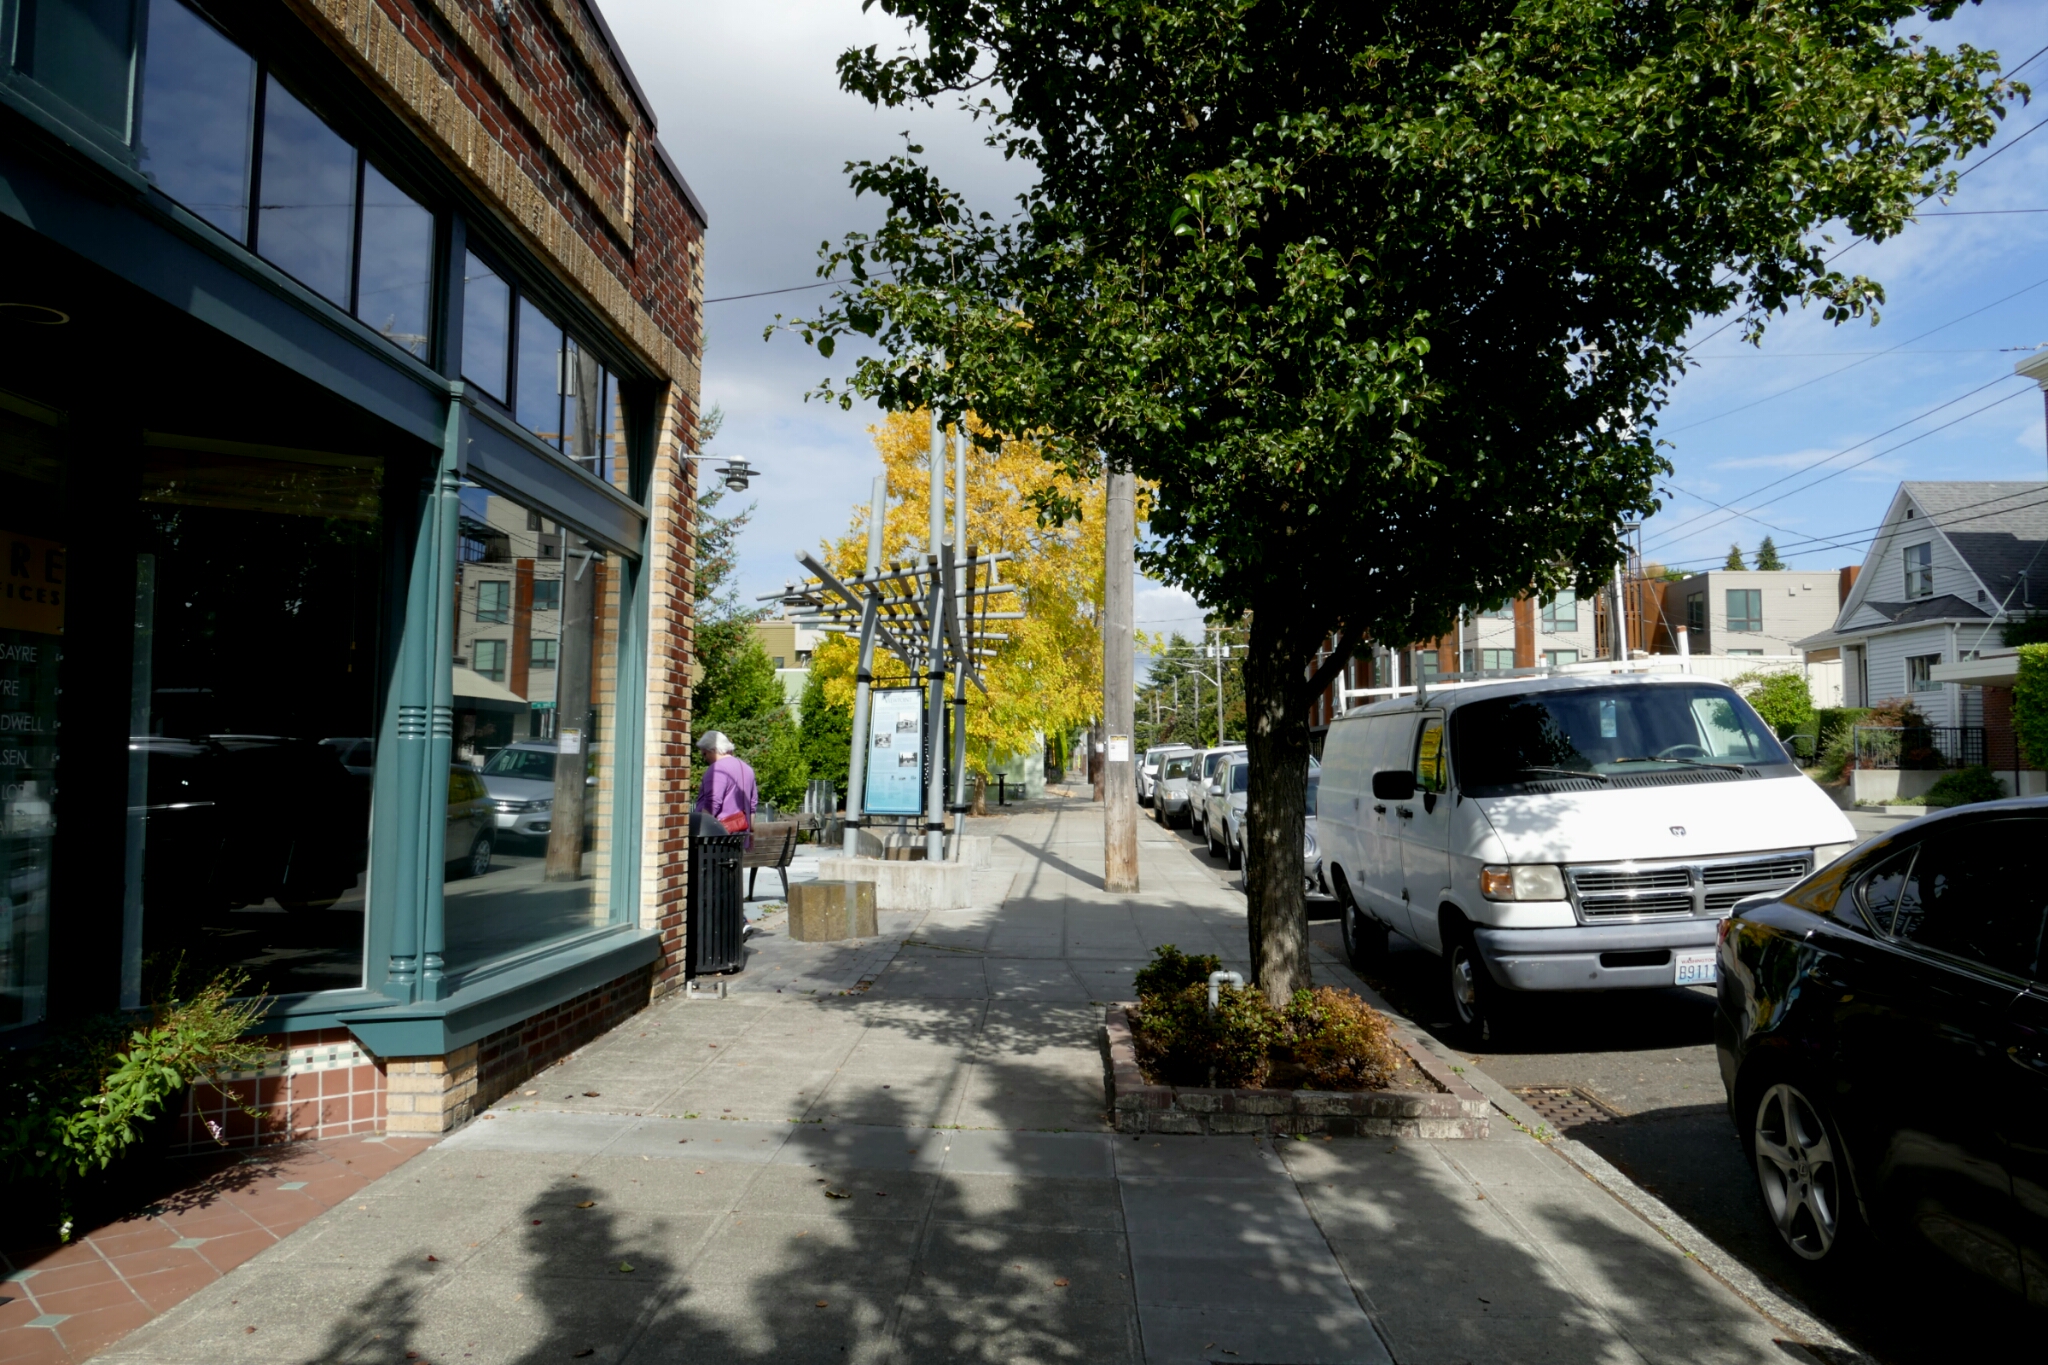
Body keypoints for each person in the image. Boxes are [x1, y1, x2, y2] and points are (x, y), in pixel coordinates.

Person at [694, 730, 758, 848]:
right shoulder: (747, 769)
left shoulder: (717, 769)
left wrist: (699, 832)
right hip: (739, 837)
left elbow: (712, 804)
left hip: (717, 839)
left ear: (712, 750)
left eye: (704, 754)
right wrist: (751, 833)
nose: (704, 758)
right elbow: (752, 805)